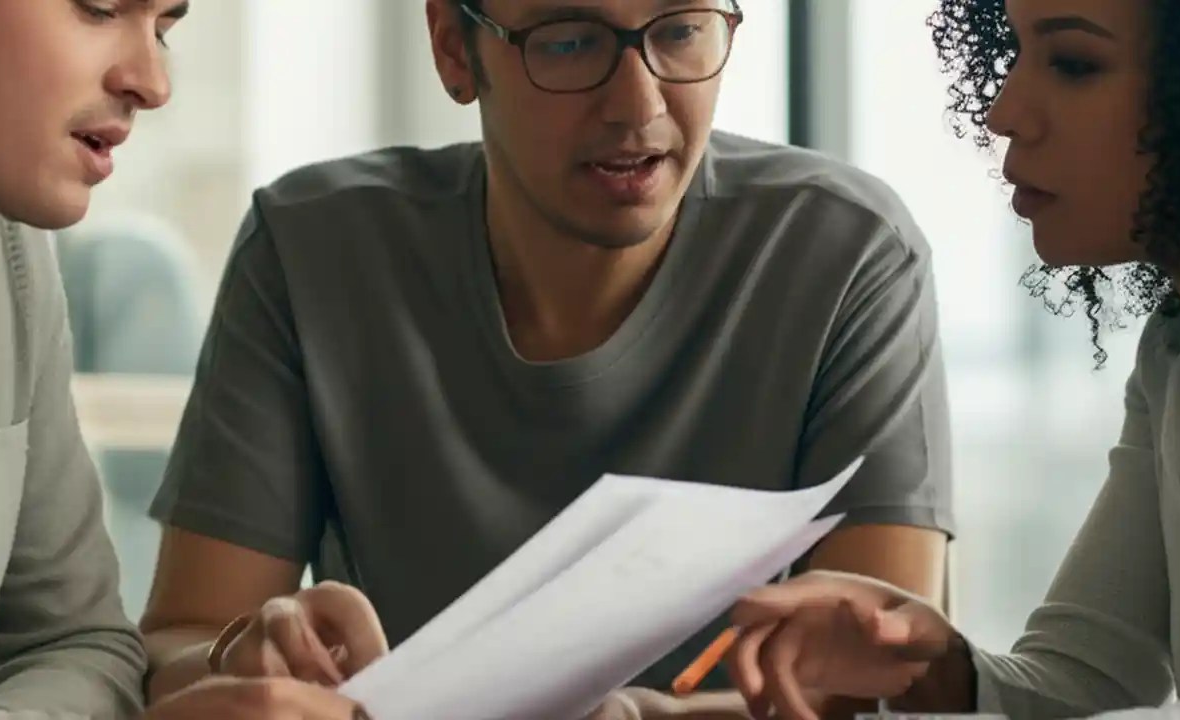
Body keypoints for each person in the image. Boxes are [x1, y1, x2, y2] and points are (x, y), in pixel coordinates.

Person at [138, 0, 956, 717]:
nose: (638, 104)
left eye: (680, 30)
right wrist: (237, 665)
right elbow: (178, 643)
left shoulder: (845, 255)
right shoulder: (312, 248)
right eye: (568, 41)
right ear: (455, 48)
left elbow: (890, 682)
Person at [724, 0, 1180, 718]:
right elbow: (1085, 681)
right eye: (1014, 50)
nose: (1005, 110)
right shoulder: (1179, 357)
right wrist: (937, 673)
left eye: (1074, 64)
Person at [0, 1, 365, 717]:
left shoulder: (12, 256)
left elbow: (73, 644)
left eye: (163, 28)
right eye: (100, 6)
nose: (153, 83)